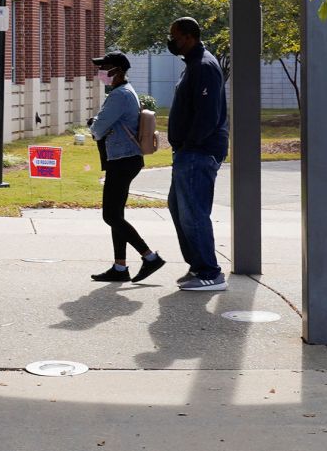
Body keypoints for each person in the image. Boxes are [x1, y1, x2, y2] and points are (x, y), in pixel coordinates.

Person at [88, 50, 166, 283]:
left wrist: (94, 125)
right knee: (116, 215)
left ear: (118, 70)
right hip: (125, 158)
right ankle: (120, 267)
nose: (101, 72)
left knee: (110, 215)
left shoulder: (119, 95)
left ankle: (150, 256)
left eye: (105, 67)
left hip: (122, 159)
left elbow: (98, 129)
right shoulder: (126, 91)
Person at [165, 17, 229, 291]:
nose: (171, 41)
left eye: (175, 36)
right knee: (179, 208)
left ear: (189, 36)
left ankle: (209, 272)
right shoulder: (194, 65)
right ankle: (197, 266)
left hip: (198, 153)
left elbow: (208, 115)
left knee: (193, 212)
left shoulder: (203, 66)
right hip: (188, 152)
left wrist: (190, 144)